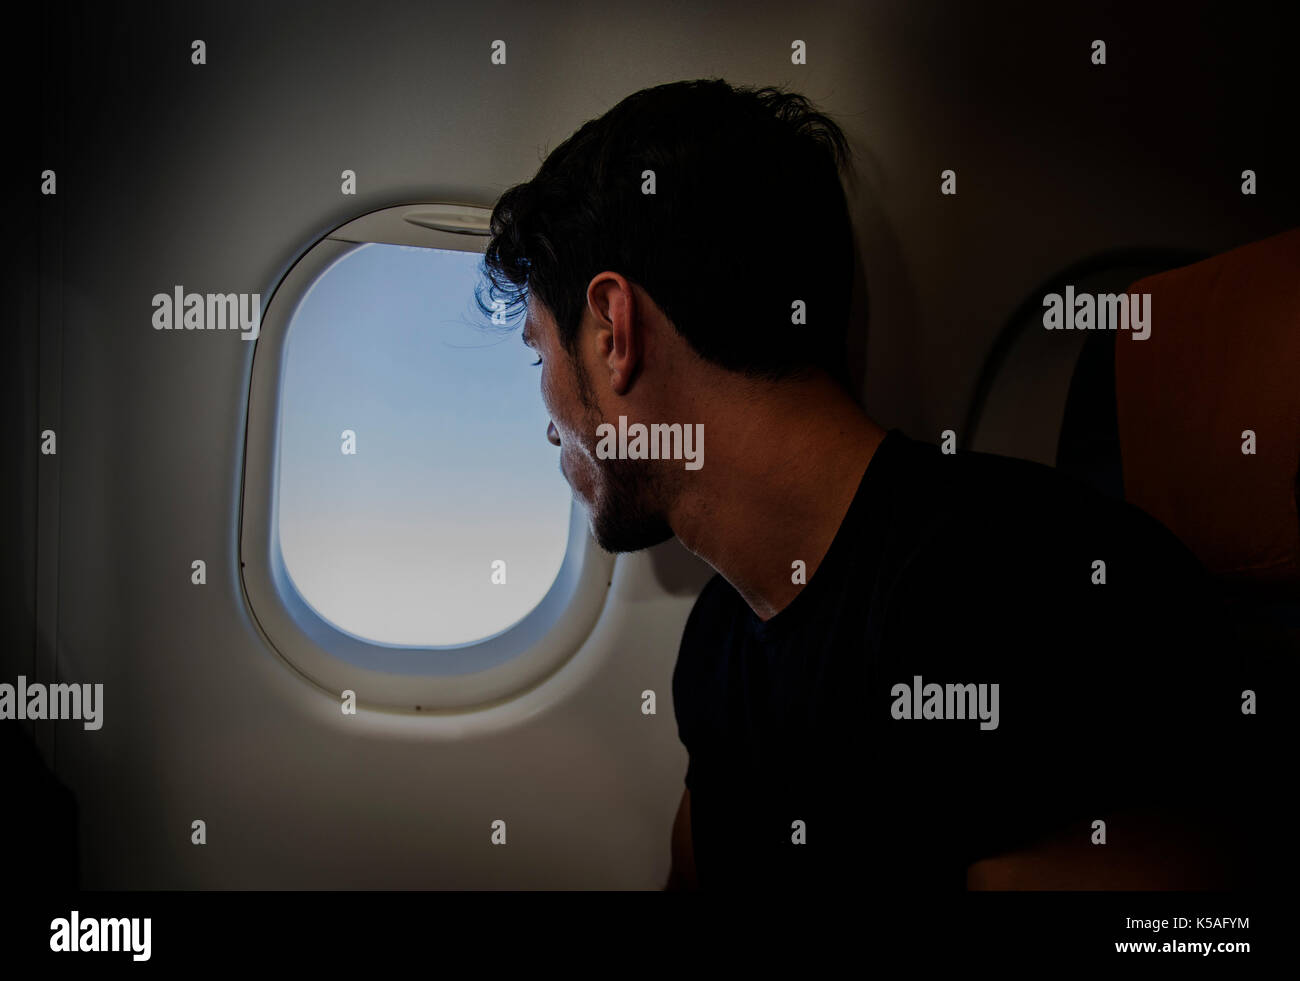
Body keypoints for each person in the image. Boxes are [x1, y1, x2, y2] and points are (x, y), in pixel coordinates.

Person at [477, 78, 1268, 891]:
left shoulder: (1044, 590)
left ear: (614, 330)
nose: (547, 420)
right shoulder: (719, 643)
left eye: (541, 352)